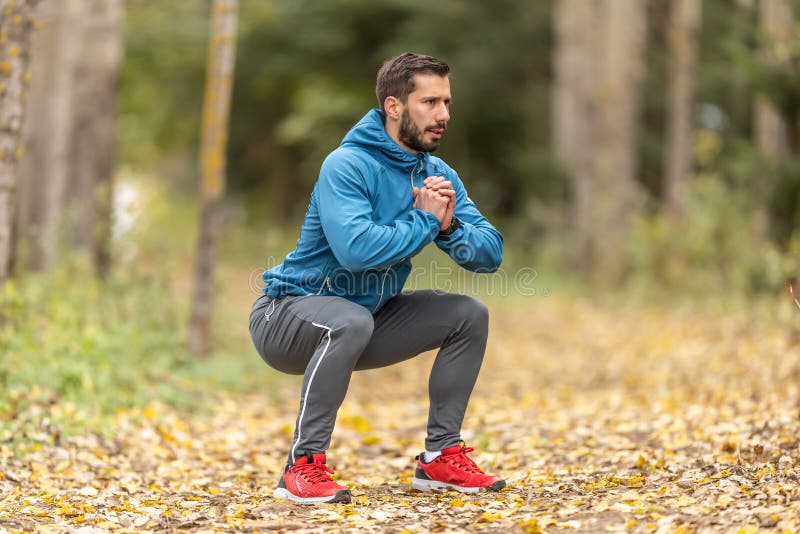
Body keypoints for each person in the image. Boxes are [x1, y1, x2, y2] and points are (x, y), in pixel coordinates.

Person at [249, 52, 505, 504]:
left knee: (468, 314)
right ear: (393, 106)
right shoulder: (346, 165)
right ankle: (302, 466)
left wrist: (449, 227)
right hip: (285, 315)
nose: (443, 115)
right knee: (349, 320)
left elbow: (490, 253)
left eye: (446, 102)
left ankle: (439, 457)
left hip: (366, 316)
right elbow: (356, 252)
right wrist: (425, 221)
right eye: (429, 102)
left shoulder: (436, 173)